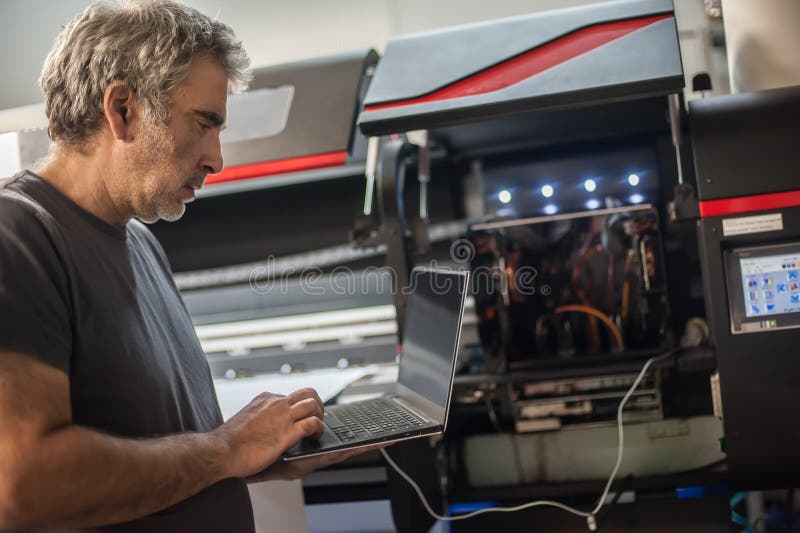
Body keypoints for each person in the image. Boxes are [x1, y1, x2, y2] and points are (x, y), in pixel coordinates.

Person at [0, 1, 368, 531]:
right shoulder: (19, 237)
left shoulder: (142, 244)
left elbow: (162, 450)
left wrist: (262, 451)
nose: (216, 158)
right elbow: (23, 482)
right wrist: (226, 448)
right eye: (203, 124)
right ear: (122, 109)